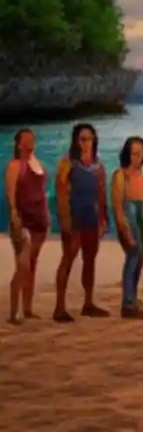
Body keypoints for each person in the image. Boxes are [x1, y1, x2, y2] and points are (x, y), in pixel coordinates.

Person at [53, 123, 109, 323]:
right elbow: (60, 193)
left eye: (90, 139)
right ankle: (59, 307)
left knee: (90, 261)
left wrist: (104, 218)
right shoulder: (68, 163)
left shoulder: (98, 166)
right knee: (68, 259)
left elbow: (101, 195)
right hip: (74, 218)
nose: (86, 143)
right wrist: (65, 218)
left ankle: (88, 303)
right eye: (83, 139)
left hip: (91, 219)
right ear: (76, 141)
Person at [6, 129, 49, 324]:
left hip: (39, 220)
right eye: (26, 139)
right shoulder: (15, 166)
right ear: (18, 144)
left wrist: (47, 215)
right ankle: (14, 312)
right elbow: (11, 192)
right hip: (23, 219)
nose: (30, 142)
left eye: (32, 138)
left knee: (32, 265)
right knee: (22, 266)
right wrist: (14, 213)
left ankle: (28, 308)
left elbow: (42, 192)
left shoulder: (38, 164)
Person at [111, 137, 143, 319]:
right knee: (133, 255)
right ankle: (128, 304)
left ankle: (132, 299)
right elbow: (117, 205)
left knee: (140, 258)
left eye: (141, 153)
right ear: (128, 155)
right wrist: (124, 228)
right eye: (134, 153)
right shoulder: (121, 175)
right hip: (130, 215)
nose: (138, 157)